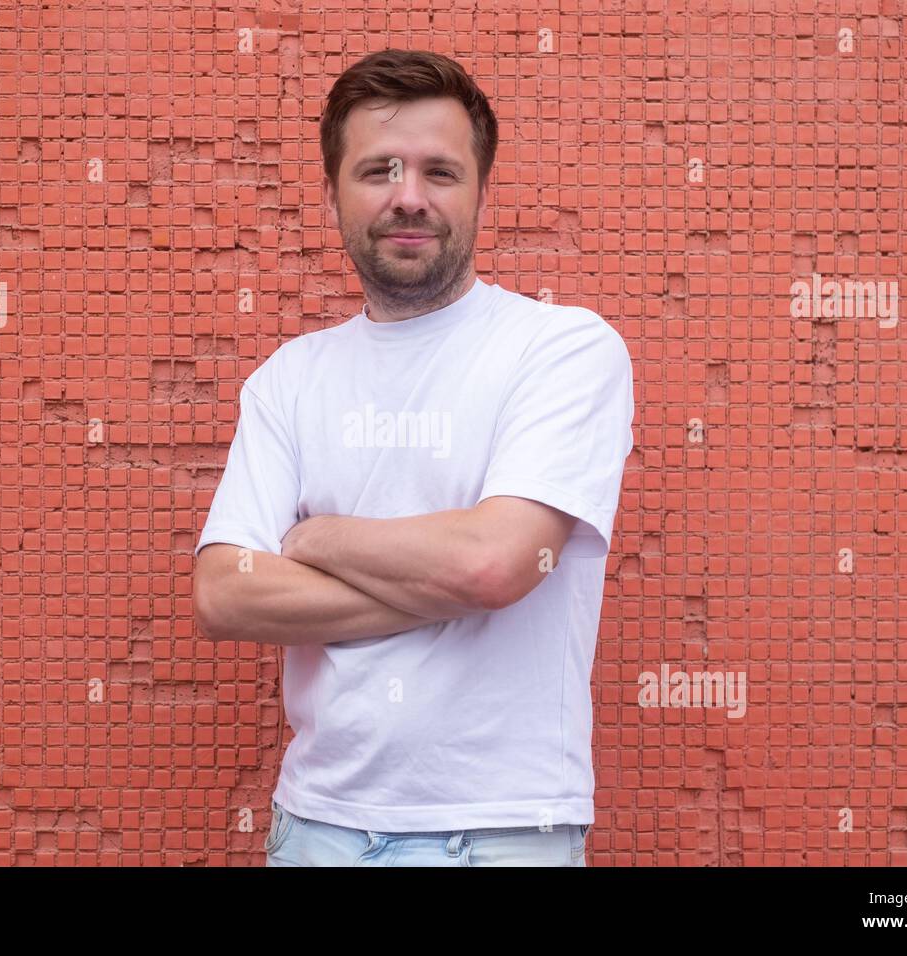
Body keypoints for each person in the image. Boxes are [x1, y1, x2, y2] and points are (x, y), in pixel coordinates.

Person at [194, 48, 635, 866]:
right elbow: (226, 593)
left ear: (480, 190)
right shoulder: (289, 381)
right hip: (317, 829)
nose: (409, 197)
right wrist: (454, 581)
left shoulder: (563, 349)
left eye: (440, 171)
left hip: (506, 830)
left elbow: (495, 566)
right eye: (377, 170)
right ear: (331, 193)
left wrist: (317, 539)